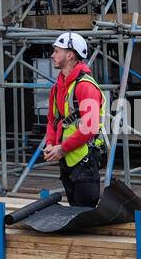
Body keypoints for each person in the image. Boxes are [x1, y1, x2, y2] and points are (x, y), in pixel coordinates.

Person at [42, 32, 106, 207]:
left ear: (70, 55)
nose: (52, 55)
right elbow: (52, 120)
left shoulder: (86, 86)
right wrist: (50, 143)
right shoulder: (57, 88)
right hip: (67, 161)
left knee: (85, 217)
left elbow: (90, 127)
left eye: (56, 51)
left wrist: (62, 148)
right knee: (74, 213)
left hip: (85, 162)